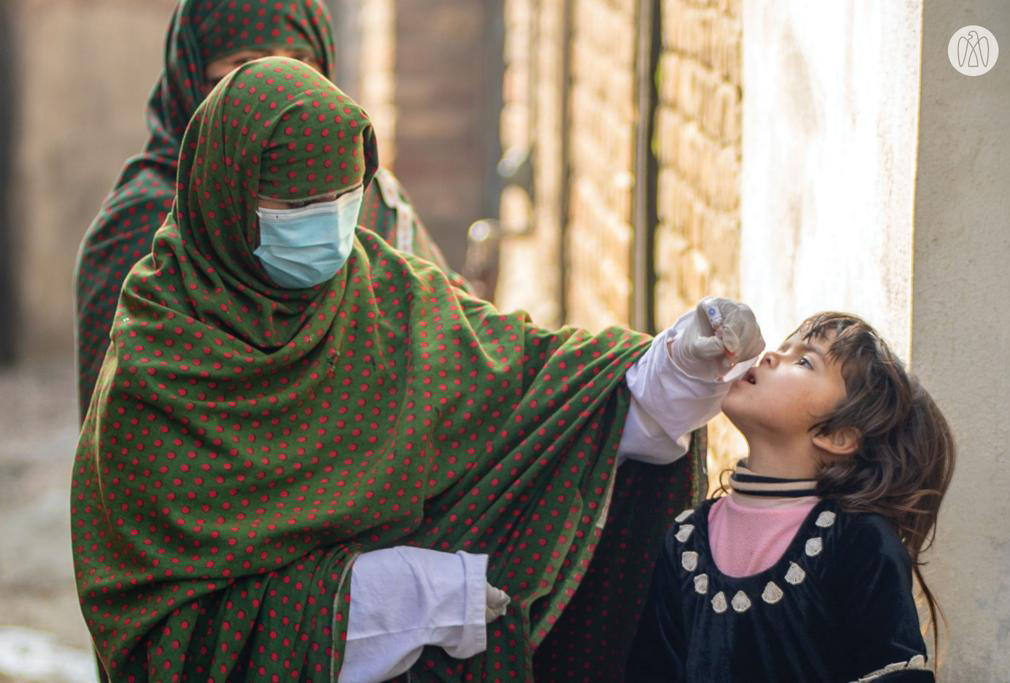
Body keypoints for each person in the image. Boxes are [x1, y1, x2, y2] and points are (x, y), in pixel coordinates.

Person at [71, 57, 764, 682]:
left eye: (345, 199)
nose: (327, 228)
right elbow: (155, 627)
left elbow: (536, 387)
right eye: (298, 207)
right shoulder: (159, 361)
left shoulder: (389, 296)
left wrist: (673, 366)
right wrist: (388, 598)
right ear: (228, 195)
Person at [74, 0, 453, 421]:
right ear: (191, 78)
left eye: (300, 63)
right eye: (246, 65)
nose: (278, 90)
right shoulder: (138, 227)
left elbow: (449, 346)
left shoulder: (373, 197)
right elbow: (124, 419)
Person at [626, 312, 956, 682]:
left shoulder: (859, 541)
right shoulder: (685, 540)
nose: (768, 356)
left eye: (803, 361)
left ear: (837, 436)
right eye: (783, 348)